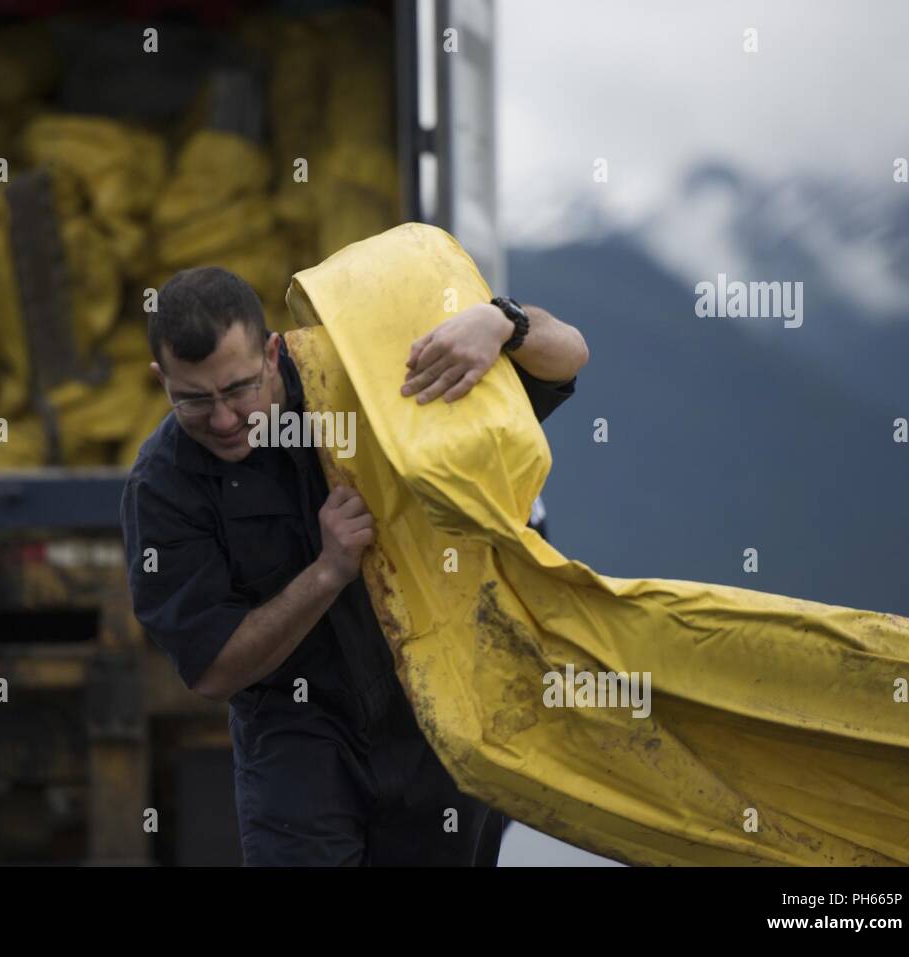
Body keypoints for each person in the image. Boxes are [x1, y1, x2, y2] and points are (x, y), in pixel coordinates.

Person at [121, 266, 587, 866]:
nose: (223, 420)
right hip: (295, 737)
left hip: (438, 712)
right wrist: (327, 572)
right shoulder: (163, 487)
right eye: (192, 399)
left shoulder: (371, 374)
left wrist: (503, 321)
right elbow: (213, 670)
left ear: (272, 353)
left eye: (238, 390)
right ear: (160, 380)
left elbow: (569, 357)